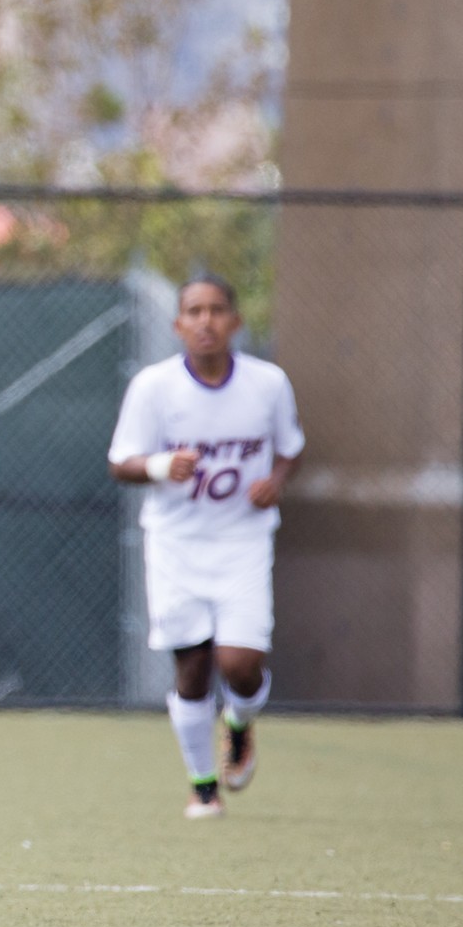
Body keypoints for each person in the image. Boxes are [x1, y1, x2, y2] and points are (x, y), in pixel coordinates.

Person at [107, 274, 303, 821]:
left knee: (240, 664)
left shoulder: (268, 384)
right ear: (178, 324)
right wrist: (158, 465)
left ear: (235, 322)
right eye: (193, 311)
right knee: (192, 667)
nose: (205, 321)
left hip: (242, 541)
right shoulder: (154, 387)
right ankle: (203, 787)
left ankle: (239, 725)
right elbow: (120, 463)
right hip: (176, 544)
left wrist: (276, 481)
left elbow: (290, 448)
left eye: (217, 310)